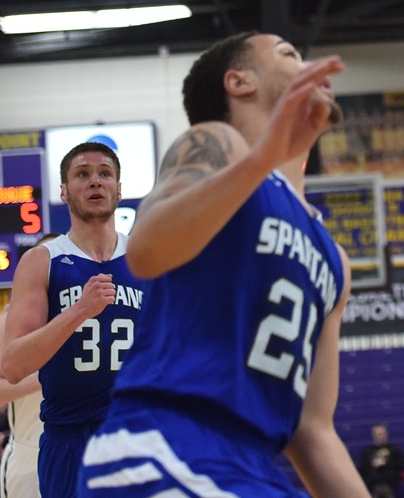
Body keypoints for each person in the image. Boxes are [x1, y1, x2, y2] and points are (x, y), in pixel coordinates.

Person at [77, 33, 367, 498]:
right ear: (239, 82)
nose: (310, 65)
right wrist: (263, 157)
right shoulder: (214, 143)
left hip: (248, 470)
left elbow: (313, 434)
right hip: (163, 448)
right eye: (289, 54)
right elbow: (146, 250)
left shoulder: (333, 258)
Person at [1, 141, 143, 498]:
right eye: (82, 174)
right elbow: (14, 365)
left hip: (138, 433)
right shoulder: (42, 261)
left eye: (105, 174)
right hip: (70, 438)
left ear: (119, 189)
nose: (95, 181)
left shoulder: (147, 256)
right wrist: (78, 311)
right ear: (64, 191)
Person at [0, 256, 52, 498]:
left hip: (87, 444)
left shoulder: (94, 309)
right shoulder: (14, 317)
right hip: (31, 455)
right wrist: (45, 377)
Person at [358, 422, 404, 498]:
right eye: (378, 434)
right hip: (373, 486)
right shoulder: (367, 451)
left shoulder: (393, 449)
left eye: (382, 433)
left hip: (389, 484)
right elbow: (363, 468)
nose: (380, 436)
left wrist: (386, 462)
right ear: (373, 435)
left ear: (386, 434)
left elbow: (401, 463)